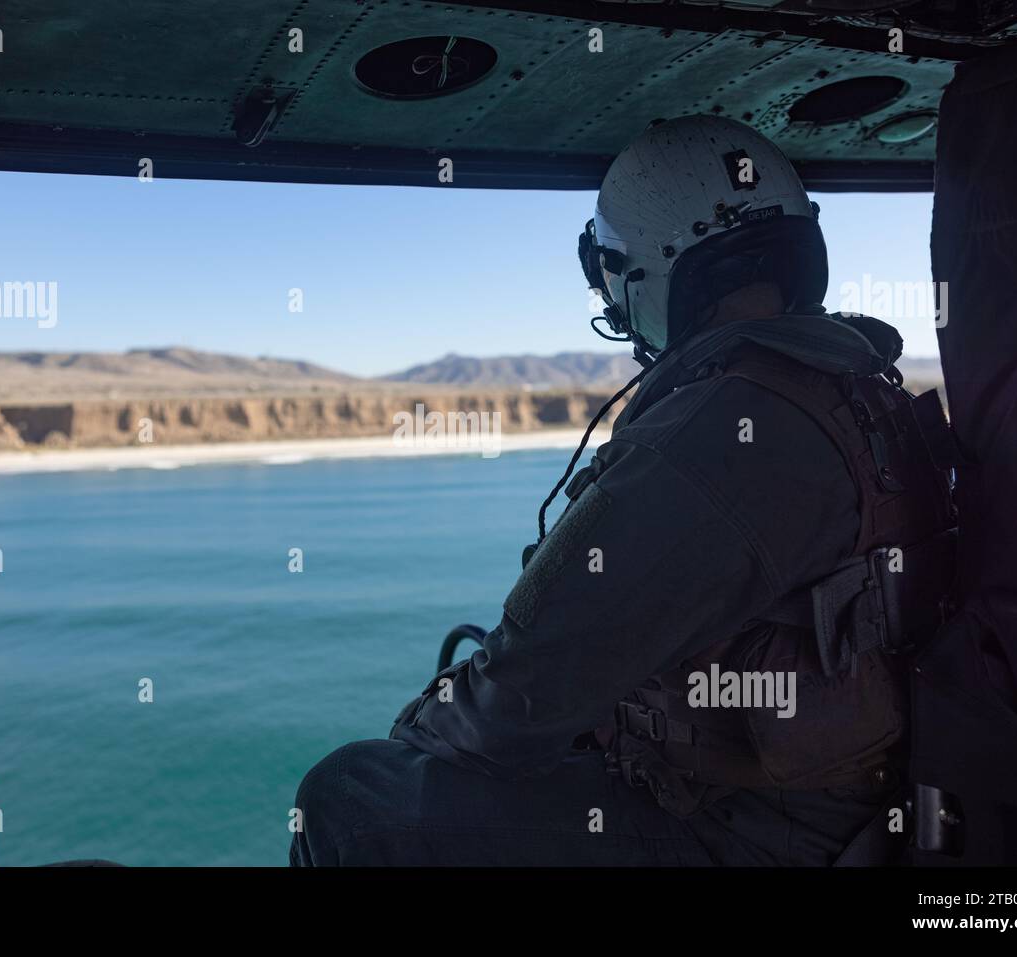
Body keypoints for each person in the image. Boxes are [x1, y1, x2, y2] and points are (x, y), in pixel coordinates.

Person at [289, 115, 955, 866]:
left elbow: (525, 689)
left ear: (650, 277)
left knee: (350, 799)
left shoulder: (719, 431)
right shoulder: (862, 390)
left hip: (757, 833)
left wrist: (418, 734)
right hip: (875, 809)